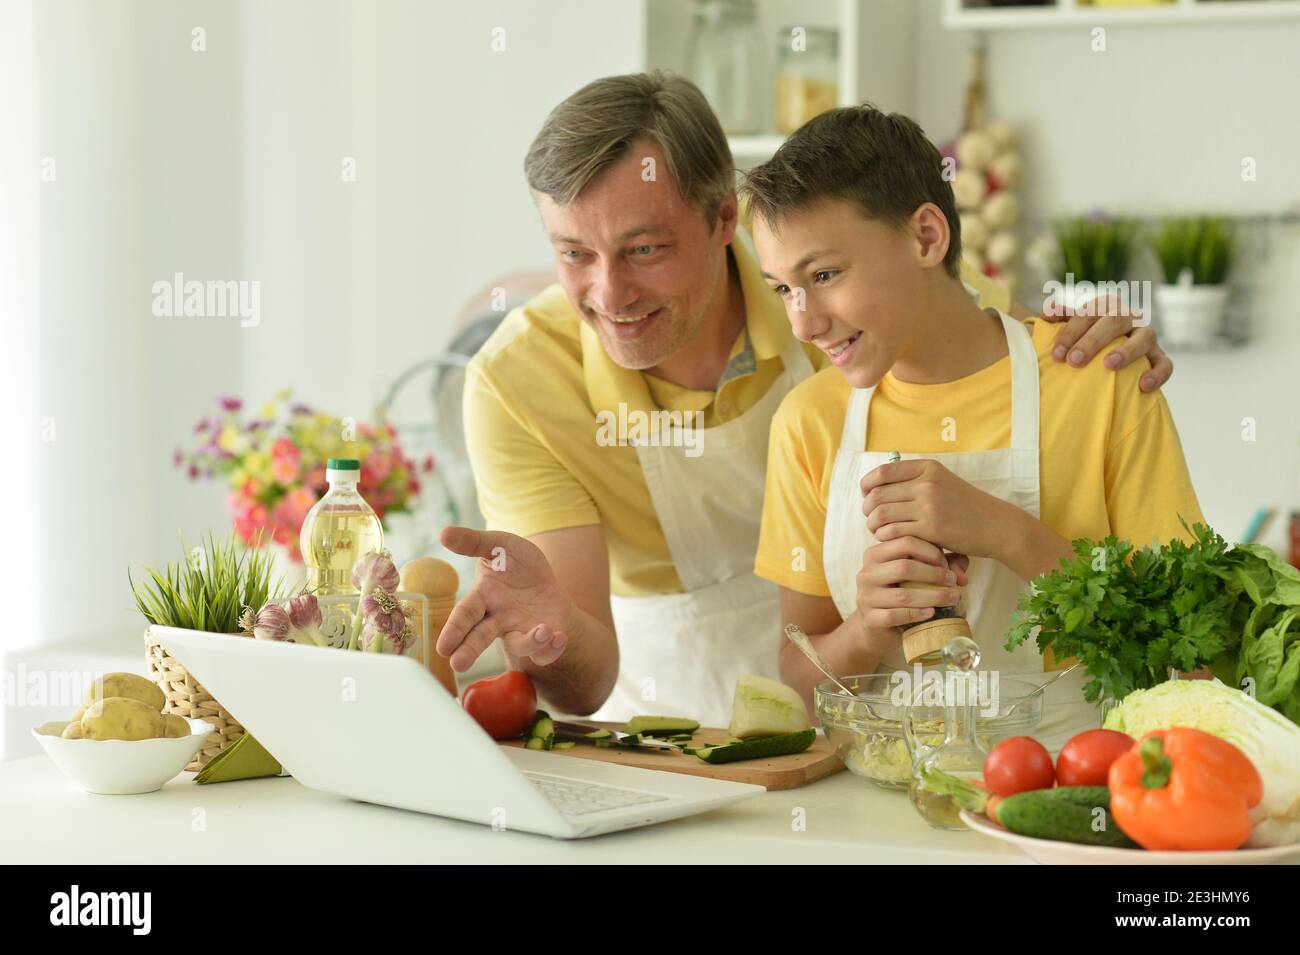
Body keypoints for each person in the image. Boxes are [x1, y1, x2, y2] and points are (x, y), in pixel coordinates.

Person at [435, 72, 1177, 727]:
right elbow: (586, 681)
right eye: (574, 253)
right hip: (659, 738)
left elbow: (977, 335)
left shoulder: (833, 272)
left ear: (725, 220)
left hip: (866, 742)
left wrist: (1087, 344)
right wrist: (550, 632)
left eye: (645, 249)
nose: (610, 293)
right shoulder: (516, 383)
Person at [745, 104, 1204, 718]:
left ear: (926, 237)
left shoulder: (1099, 384)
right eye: (783, 288)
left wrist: (1007, 533)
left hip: (1064, 791)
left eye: (825, 273)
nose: (803, 320)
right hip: (873, 799)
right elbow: (797, 687)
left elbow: (1190, 661)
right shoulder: (807, 422)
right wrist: (866, 629)